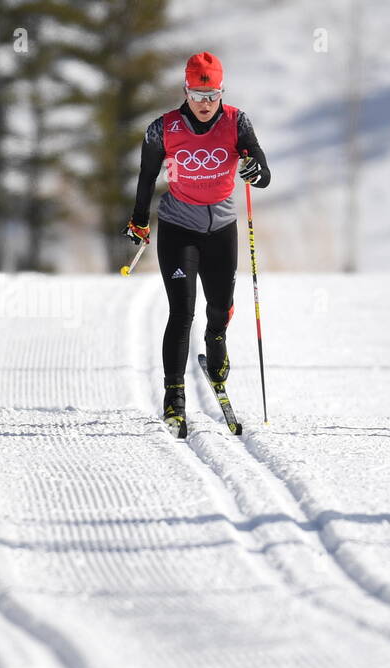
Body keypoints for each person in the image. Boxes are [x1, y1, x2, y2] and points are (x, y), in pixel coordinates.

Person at [123, 51, 271, 437]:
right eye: (197, 95)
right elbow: (146, 176)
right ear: (185, 91)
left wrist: (255, 169)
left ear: (222, 92)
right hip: (178, 227)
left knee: (219, 307)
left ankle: (216, 338)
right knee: (182, 310)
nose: (205, 104)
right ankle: (174, 399)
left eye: (213, 95)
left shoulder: (237, 122)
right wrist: (139, 220)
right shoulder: (162, 129)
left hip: (222, 228)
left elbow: (263, 170)